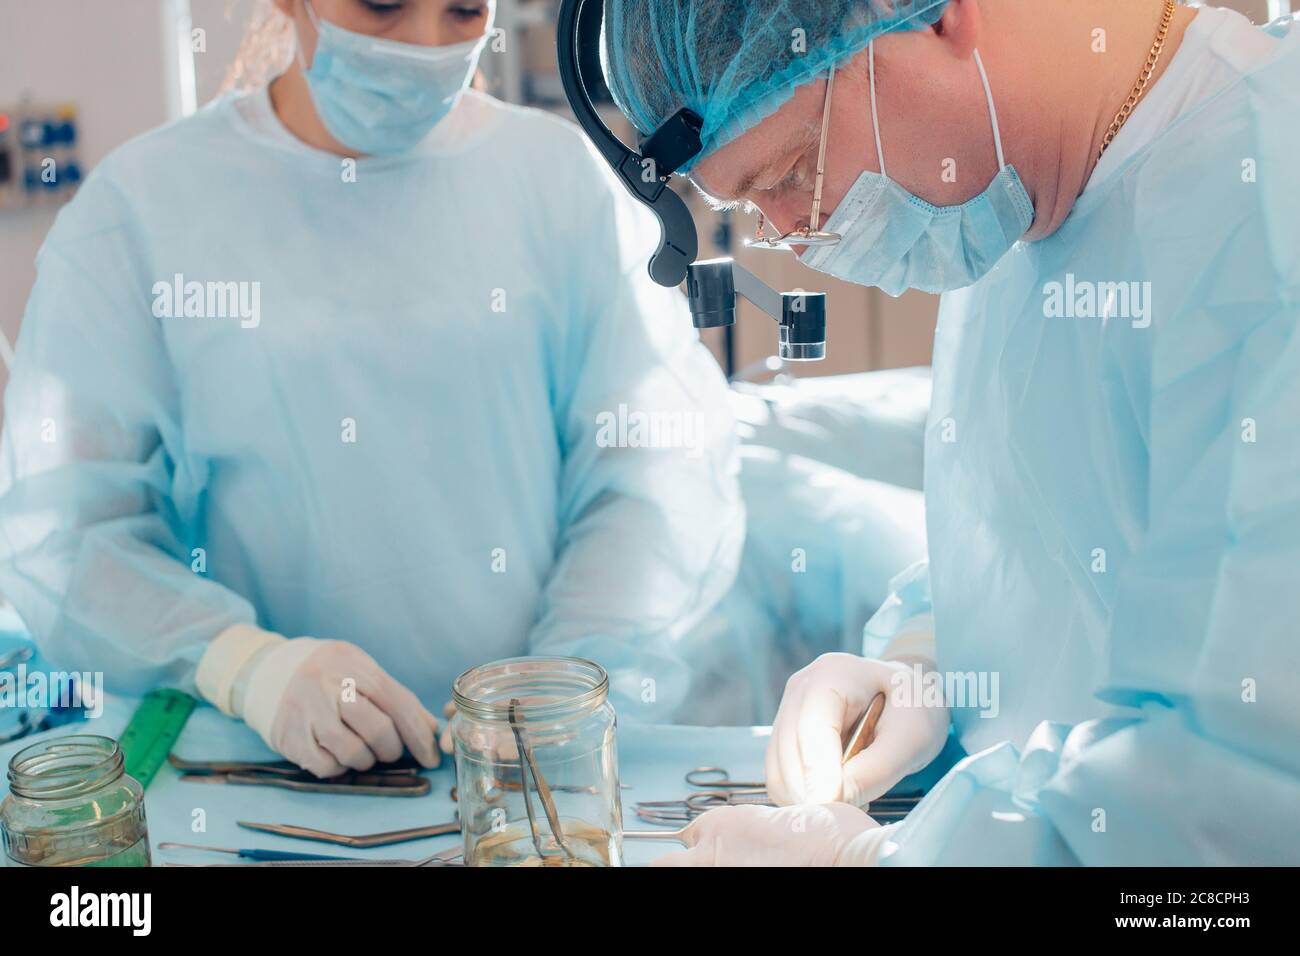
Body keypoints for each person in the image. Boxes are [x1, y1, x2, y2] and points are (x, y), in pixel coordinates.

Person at [601, 0, 1300, 864]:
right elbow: (1045, 528)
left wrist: (876, 862)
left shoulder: (1267, 211)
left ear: (932, 19)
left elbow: (1231, 804)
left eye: (791, 172)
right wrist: (925, 656)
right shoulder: (1010, 197)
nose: (794, 232)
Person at [0, 0, 743, 778]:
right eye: (383, 5)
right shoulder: (142, 208)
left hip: (524, 771)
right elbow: (74, 530)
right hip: (265, 768)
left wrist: (572, 672)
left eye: (463, 11)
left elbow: (650, 473)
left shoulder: (556, 180)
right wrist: (245, 666)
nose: (424, 46)